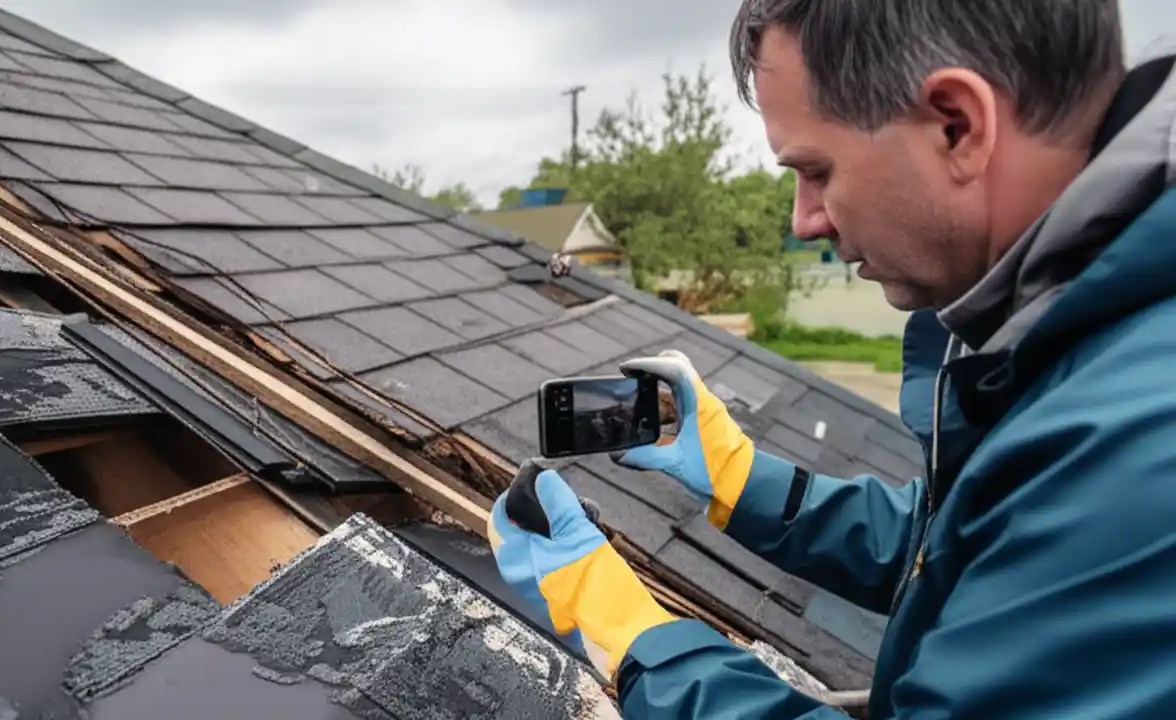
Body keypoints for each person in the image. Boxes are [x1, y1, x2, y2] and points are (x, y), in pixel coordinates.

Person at [488, 1, 1176, 717]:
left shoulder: (1141, 452)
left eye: (815, 170)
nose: (803, 219)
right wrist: (744, 479)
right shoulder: (1096, 349)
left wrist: (629, 636)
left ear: (958, 126)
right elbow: (975, 553)